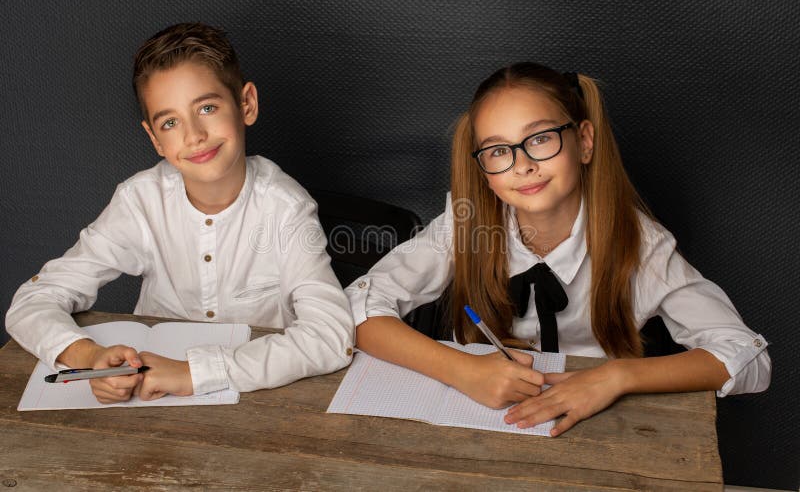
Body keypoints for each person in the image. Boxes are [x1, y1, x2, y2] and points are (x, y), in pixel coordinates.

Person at [347, 62, 770, 436]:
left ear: (584, 141)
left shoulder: (639, 245)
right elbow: (356, 307)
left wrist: (616, 377)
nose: (522, 164)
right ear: (484, 170)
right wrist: (461, 369)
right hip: (472, 419)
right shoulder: (466, 225)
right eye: (498, 151)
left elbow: (748, 359)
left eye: (540, 139)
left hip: (597, 427)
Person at [5, 22, 354, 403]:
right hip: (149, 401)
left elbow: (331, 336)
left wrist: (193, 373)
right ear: (155, 139)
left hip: (256, 400)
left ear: (246, 104)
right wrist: (88, 357)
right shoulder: (141, 201)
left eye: (207, 107)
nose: (194, 135)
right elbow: (32, 302)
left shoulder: (286, 208)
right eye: (170, 122)